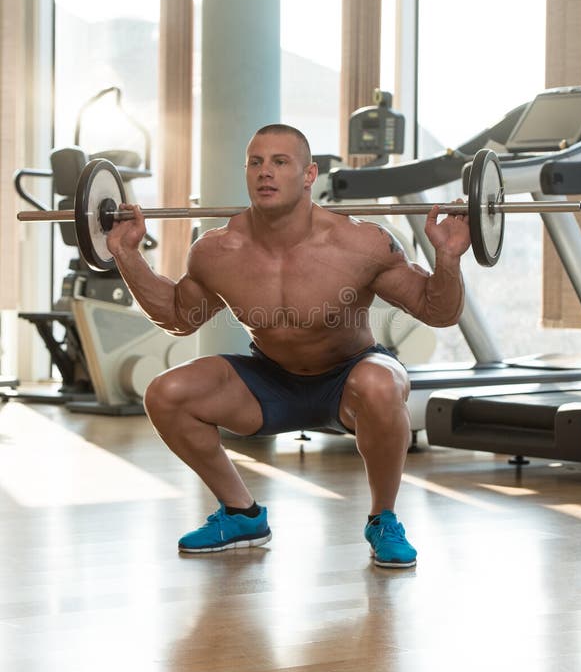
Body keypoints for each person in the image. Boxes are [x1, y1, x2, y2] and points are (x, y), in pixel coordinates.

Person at [106, 123, 471, 568]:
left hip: (349, 377)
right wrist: (126, 254)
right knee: (165, 393)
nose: (266, 172)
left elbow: (438, 312)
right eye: (256, 163)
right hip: (272, 382)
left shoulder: (359, 243)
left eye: (280, 162)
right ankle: (242, 515)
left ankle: (384, 518)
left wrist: (448, 260)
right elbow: (179, 318)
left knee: (381, 382)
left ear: (309, 174)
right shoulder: (218, 250)